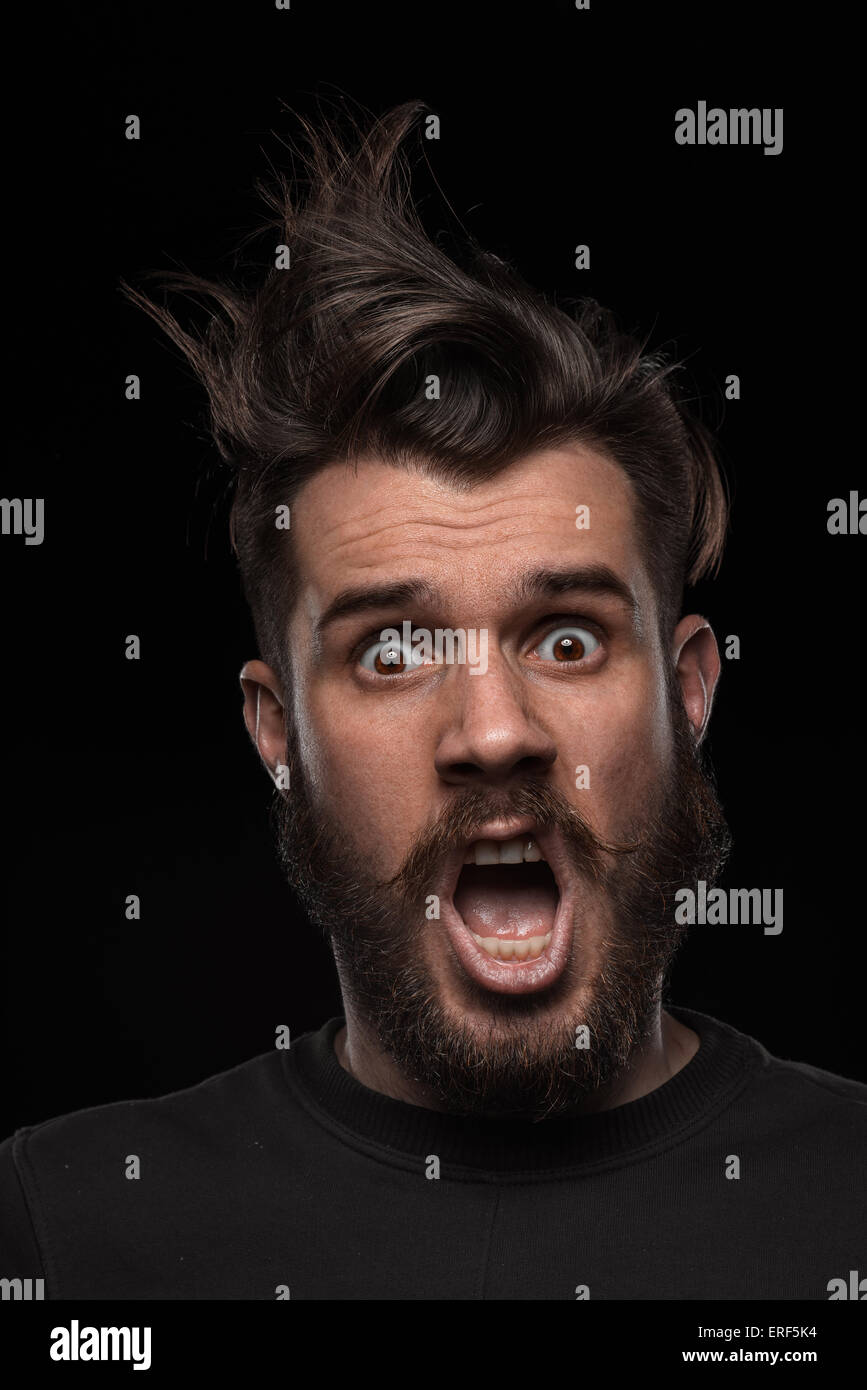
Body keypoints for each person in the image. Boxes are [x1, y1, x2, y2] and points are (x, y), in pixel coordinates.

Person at [1, 101, 864, 1301]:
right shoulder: (71, 1226)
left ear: (687, 692)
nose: (496, 732)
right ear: (276, 731)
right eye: (395, 650)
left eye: (566, 637)